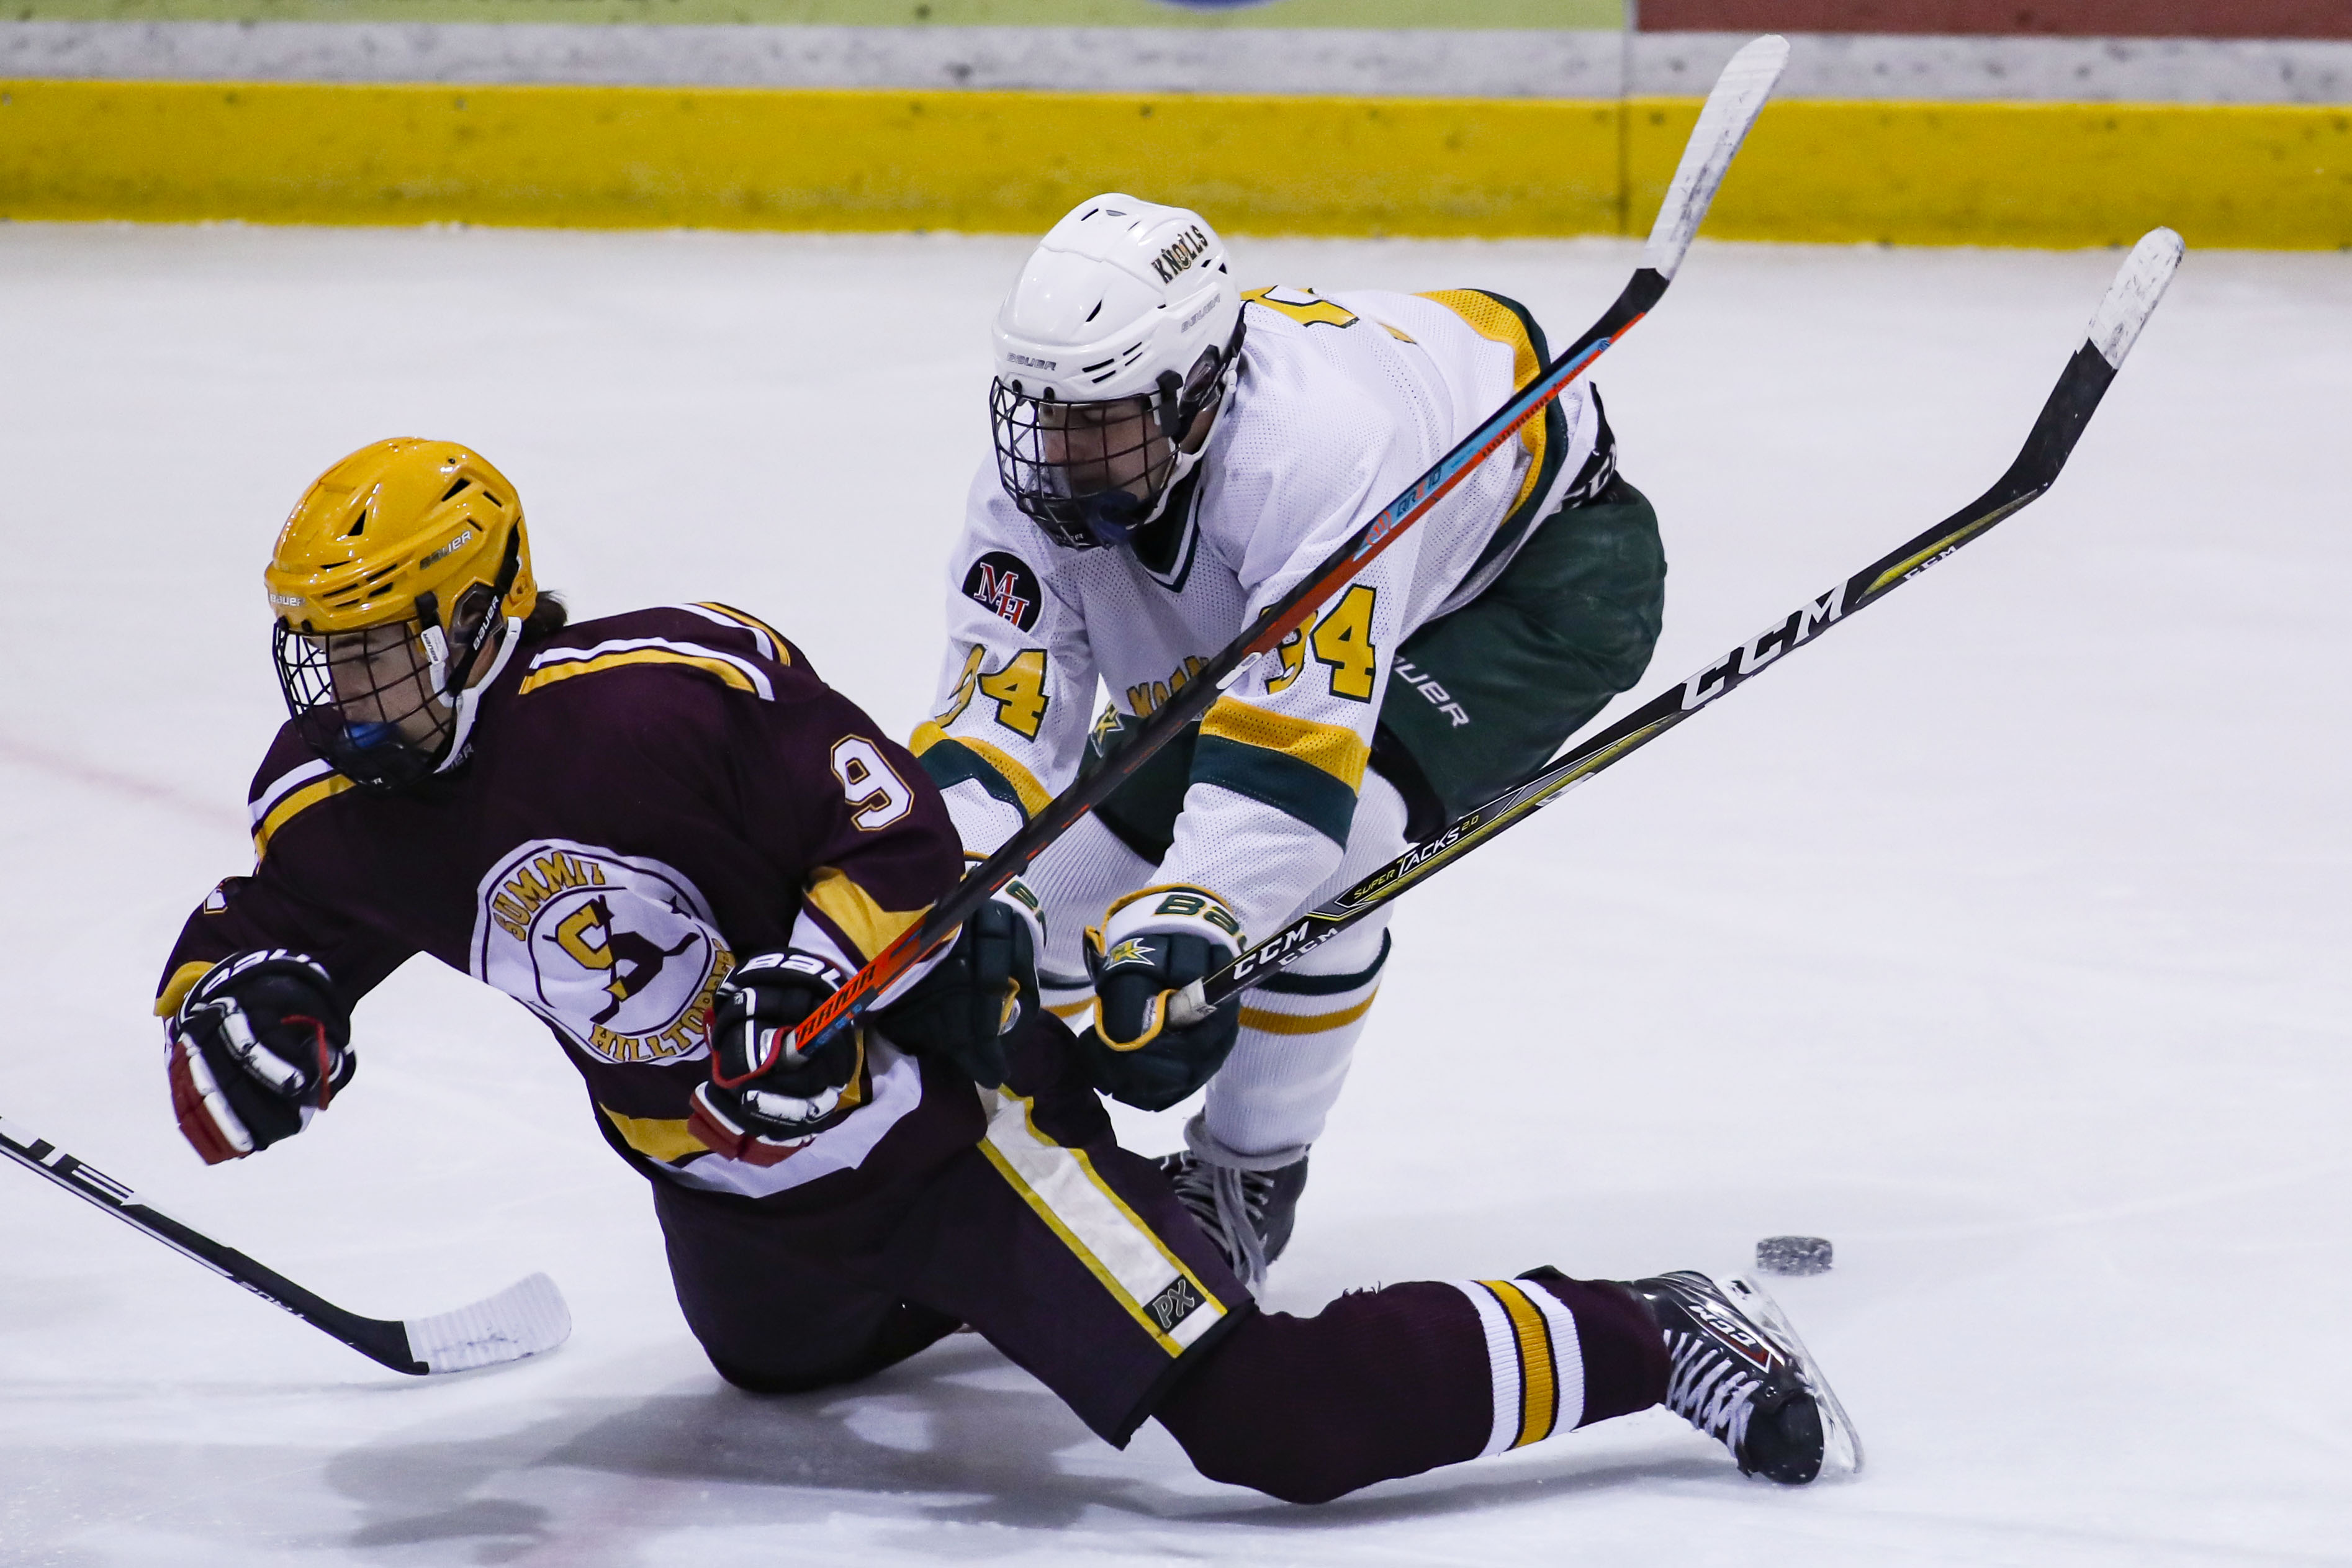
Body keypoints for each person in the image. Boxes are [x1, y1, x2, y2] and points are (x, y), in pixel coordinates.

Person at [155, 438, 1852, 1502]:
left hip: (942, 1136)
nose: (339, 690)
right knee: (772, 1367)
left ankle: (1652, 1327)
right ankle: (1106, 1257)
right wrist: (239, 1027)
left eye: (377, 651)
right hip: (743, 1208)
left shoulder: (667, 694)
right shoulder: (334, 799)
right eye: (324, 650)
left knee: (1276, 1426)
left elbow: (907, 849)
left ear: (478, 617)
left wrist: (810, 980)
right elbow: (269, 935)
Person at [912, 195, 1669, 1286]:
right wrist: (960, 891)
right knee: (1046, 893)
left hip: (1534, 581)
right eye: (1041, 412)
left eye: (1100, 419)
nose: (1058, 456)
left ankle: (1243, 1175)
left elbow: (1286, 762)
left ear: (1199, 393)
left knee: (1336, 855)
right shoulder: (1043, 478)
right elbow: (995, 720)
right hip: (1289, 578)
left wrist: (1193, 925)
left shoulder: (1312, 449)